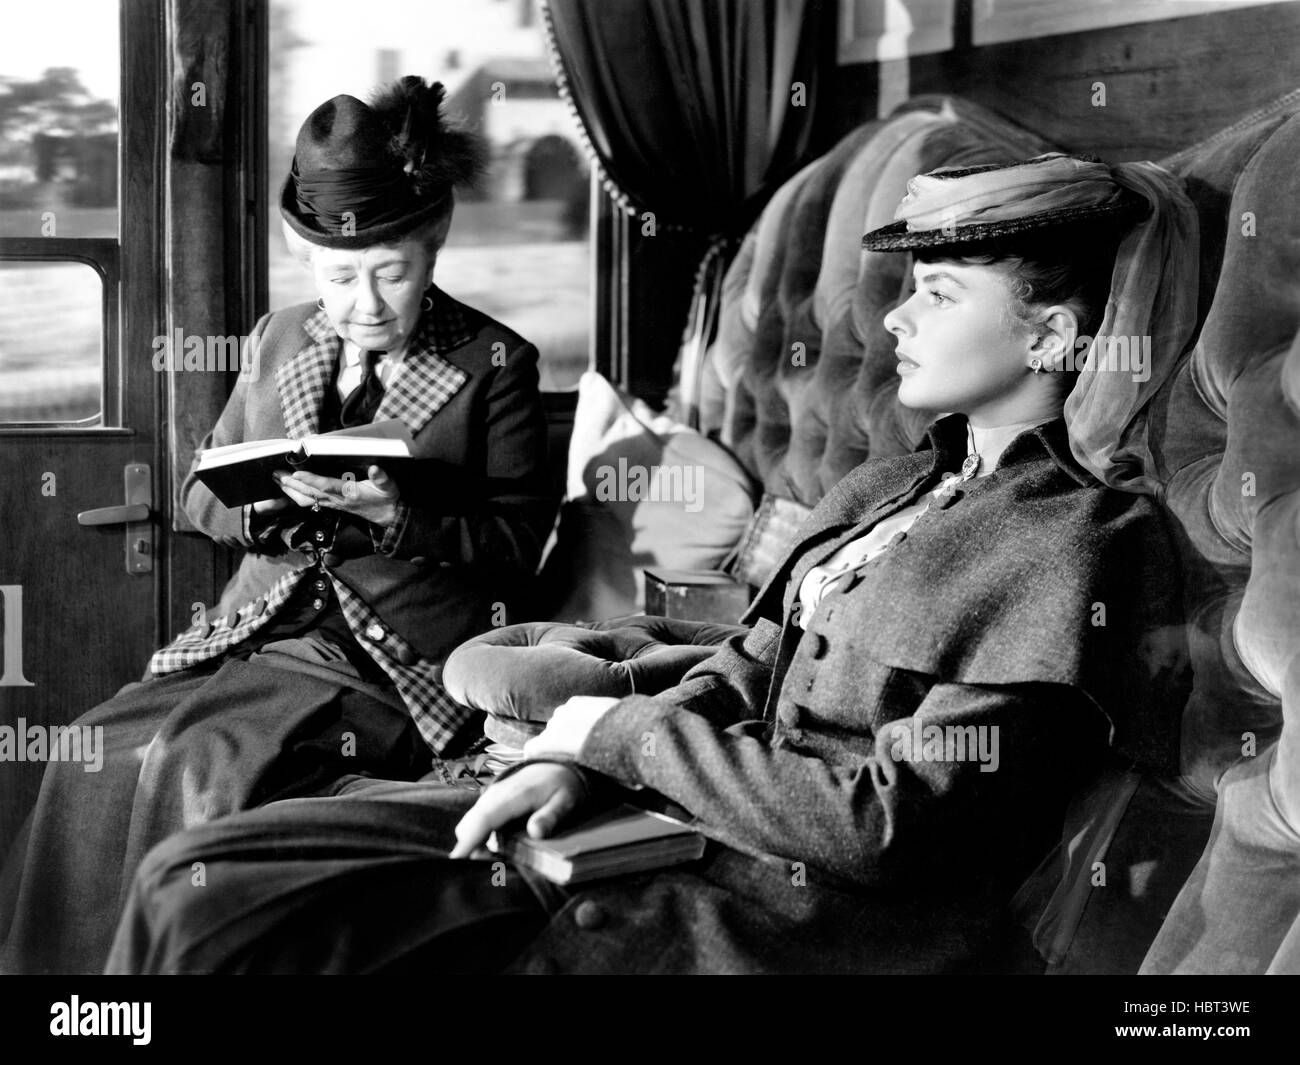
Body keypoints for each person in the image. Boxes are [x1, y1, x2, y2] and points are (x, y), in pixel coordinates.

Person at [106, 153, 1200, 975]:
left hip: (781, 906)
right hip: (649, 808)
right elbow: (744, 663)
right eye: (906, 286)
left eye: (940, 295)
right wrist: (574, 762)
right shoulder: (886, 489)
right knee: (197, 878)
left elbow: (887, 826)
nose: (897, 318)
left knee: (235, 927)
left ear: (1054, 338)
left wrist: (614, 734)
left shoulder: (1074, 543)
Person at [0, 76, 555, 974]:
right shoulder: (277, 338)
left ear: (434, 243)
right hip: (259, 631)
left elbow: (519, 553)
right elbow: (195, 497)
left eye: (392, 272)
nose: (364, 303)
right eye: (340, 277)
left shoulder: (493, 363)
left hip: (391, 661)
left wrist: (401, 516)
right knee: (91, 753)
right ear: (305, 261)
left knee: (200, 762)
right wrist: (263, 501)